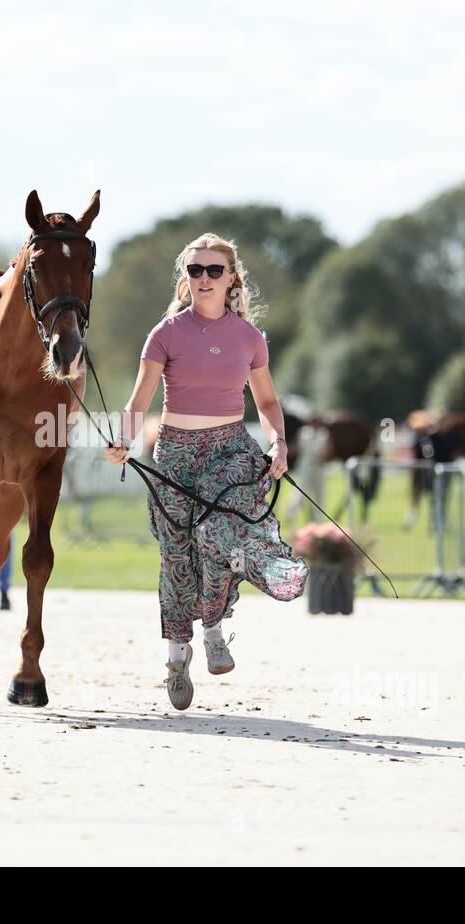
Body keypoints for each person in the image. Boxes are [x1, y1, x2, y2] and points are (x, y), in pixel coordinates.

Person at [104, 232, 308, 711]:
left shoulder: (249, 338)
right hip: (175, 453)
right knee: (177, 553)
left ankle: (214, 625)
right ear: (186, 278)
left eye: (214, 270)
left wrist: (279, 440)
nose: (203, 278)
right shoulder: (165, 334)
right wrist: (122, 439)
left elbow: (268, 402)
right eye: (195, 270)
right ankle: (177, 656)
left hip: (230, 449)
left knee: (218, 533)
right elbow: (139, 401)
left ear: (231, 278)